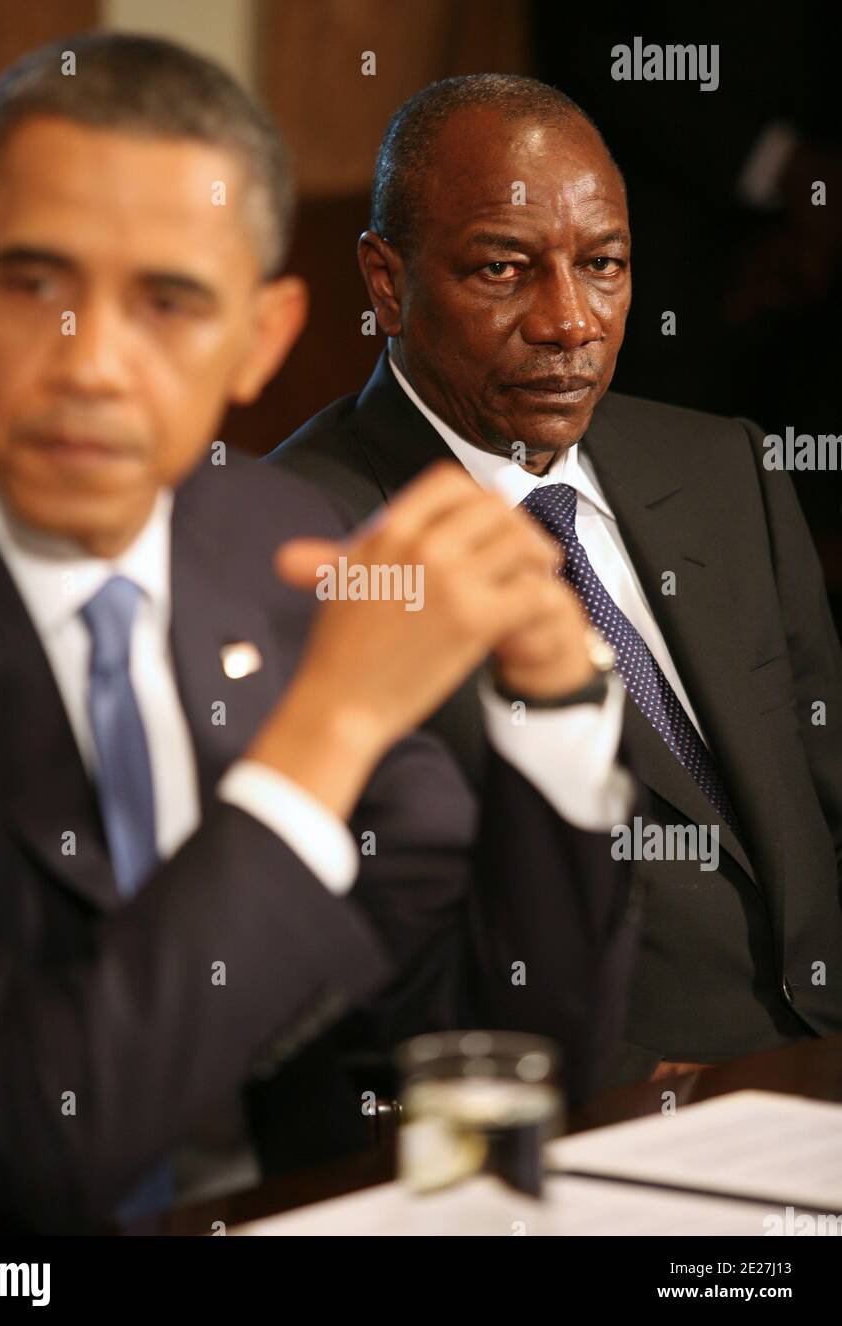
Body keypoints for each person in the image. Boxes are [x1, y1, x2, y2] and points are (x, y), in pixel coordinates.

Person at [0, 39, 635, 1234]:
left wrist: (553, 710)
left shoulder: (273, 539)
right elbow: (36, 1144)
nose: (90, 365)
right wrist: (327, 733)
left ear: (261, 335)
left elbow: (497, 1043)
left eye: (169, 302)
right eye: (34, 284)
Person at [269, 73, 842, 1086]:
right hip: (596, 1111)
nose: (570, 320)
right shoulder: (304, 540)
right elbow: (353, 959)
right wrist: (612, 1090)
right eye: (503, 268)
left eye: (603, 265)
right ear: (388, 282)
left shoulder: (725, 470)